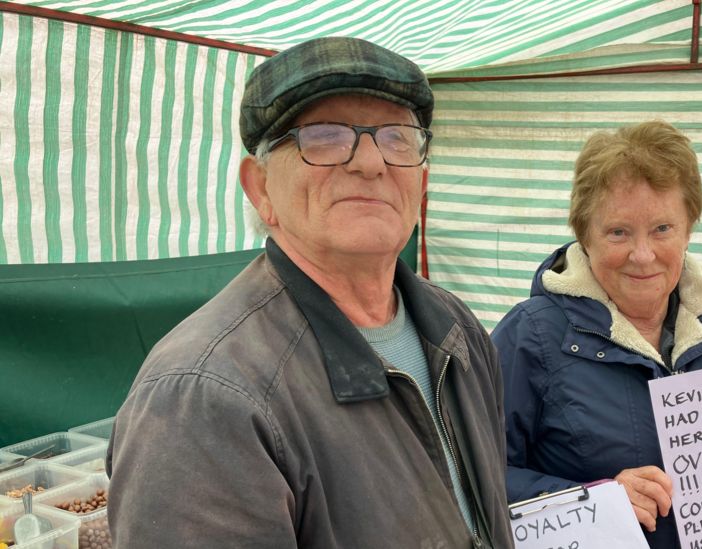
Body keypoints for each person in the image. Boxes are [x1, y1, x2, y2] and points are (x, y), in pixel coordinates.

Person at [107, 36, 513, 549]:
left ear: (422, 180)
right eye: (324, 137)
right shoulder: (203, 396)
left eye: (397, 138)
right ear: (260, 187)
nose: (370, 163)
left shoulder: (457, 329)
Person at [492, 121, 702, 548]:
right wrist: (597, 501)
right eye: (619, 231)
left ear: (689, 228)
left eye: (662, 229)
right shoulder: (532, 334)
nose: (642, 255)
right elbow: (473, 473)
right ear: (584, 235)